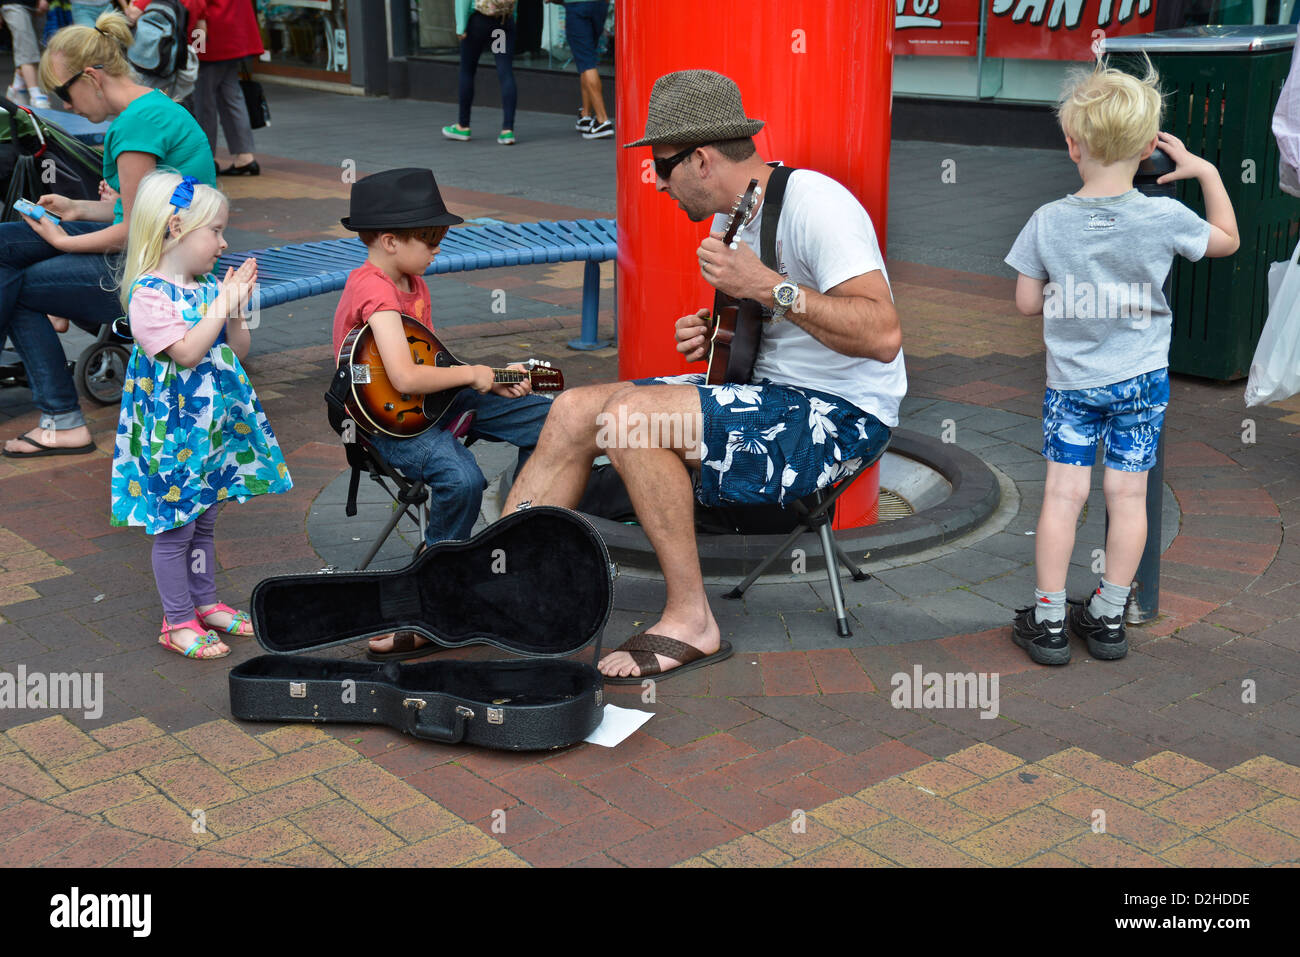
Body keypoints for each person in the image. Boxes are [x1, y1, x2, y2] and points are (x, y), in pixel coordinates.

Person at [503, 70, 903, 683]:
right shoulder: (732, 219)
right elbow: (754, 331)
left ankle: (692, 621)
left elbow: (882, 335)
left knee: (631, 419)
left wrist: (769, 287)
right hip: (767, 395)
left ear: (701, 159)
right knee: (573, 409)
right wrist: (714, 332)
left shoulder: (818, 205)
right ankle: (498, 584)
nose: (657, 184)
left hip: (843, 412)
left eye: (663, 168)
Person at [1004, 60, 1239, 666]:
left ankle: (1050, 622)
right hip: (1141, 381)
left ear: (1072, 143)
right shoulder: (1163, 216)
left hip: (1072, 385)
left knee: (1063, 494)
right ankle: (1108, 619)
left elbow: (1028, 304)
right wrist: (1207, 170)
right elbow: (1227, 241)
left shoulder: (1047, 221)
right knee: (1128, 496)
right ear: (1146, 151)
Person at [330, 168, 553, 660]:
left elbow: (433, 364)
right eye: (430, 240)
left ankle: (509, 539)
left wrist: (492, 375)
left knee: (556, 420)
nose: (437, 250)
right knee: (462, 479)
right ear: (390, 240)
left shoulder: (412, 282)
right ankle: (429, 604)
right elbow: (406, 378)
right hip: (386, 423)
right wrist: (476, 373)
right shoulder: (376, 292)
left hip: (432, 405)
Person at [0, 10, 214, 458]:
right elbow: (140, 211)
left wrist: (63, 242)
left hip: (152, 272)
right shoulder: (154, 107)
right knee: (7, 244)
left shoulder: (134, 126)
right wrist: (77, 207)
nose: (64, 106)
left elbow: (132, 234)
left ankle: (63, 422)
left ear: (92, 77)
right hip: (168, 253)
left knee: (15, 285)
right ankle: (59, 333)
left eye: (64, 93)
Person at [111, 170, 292, 659]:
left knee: (205, 520)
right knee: (176, 527)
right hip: (172, 436)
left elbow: (238, 347)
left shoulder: (204, 284)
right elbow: (187, 352)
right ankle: (176, 620)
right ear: (175, 228)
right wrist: (221, 302)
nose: (223, 241)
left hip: (210, 431)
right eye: (214, 231)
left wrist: (234, 310)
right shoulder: (149, 295)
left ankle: (204, 600)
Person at [189, 0, 262, 175]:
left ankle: (206, 157)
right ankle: (245, 156)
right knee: (231, 93)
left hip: (211, 30)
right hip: (234, 30)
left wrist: (196, 41)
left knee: (203, 100)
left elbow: (197, 4)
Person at [443, 0, 518, 146]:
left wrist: (461, 26)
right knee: (505, 71)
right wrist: (511, 16)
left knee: (467, 71)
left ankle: (463, 127)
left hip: (478, 21)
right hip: (501, 23)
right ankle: (507, 130)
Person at [546, 0, 611, 139]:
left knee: (587, 63)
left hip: (577, 6)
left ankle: (602, 119)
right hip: (600, 6)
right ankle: (586, 115)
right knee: (587, 58)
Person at [3, 0, 51, 108]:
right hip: (12, 3)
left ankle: (17, 87)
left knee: (36, 50)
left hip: (36, 5)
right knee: (27, 49)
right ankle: (35, 94)